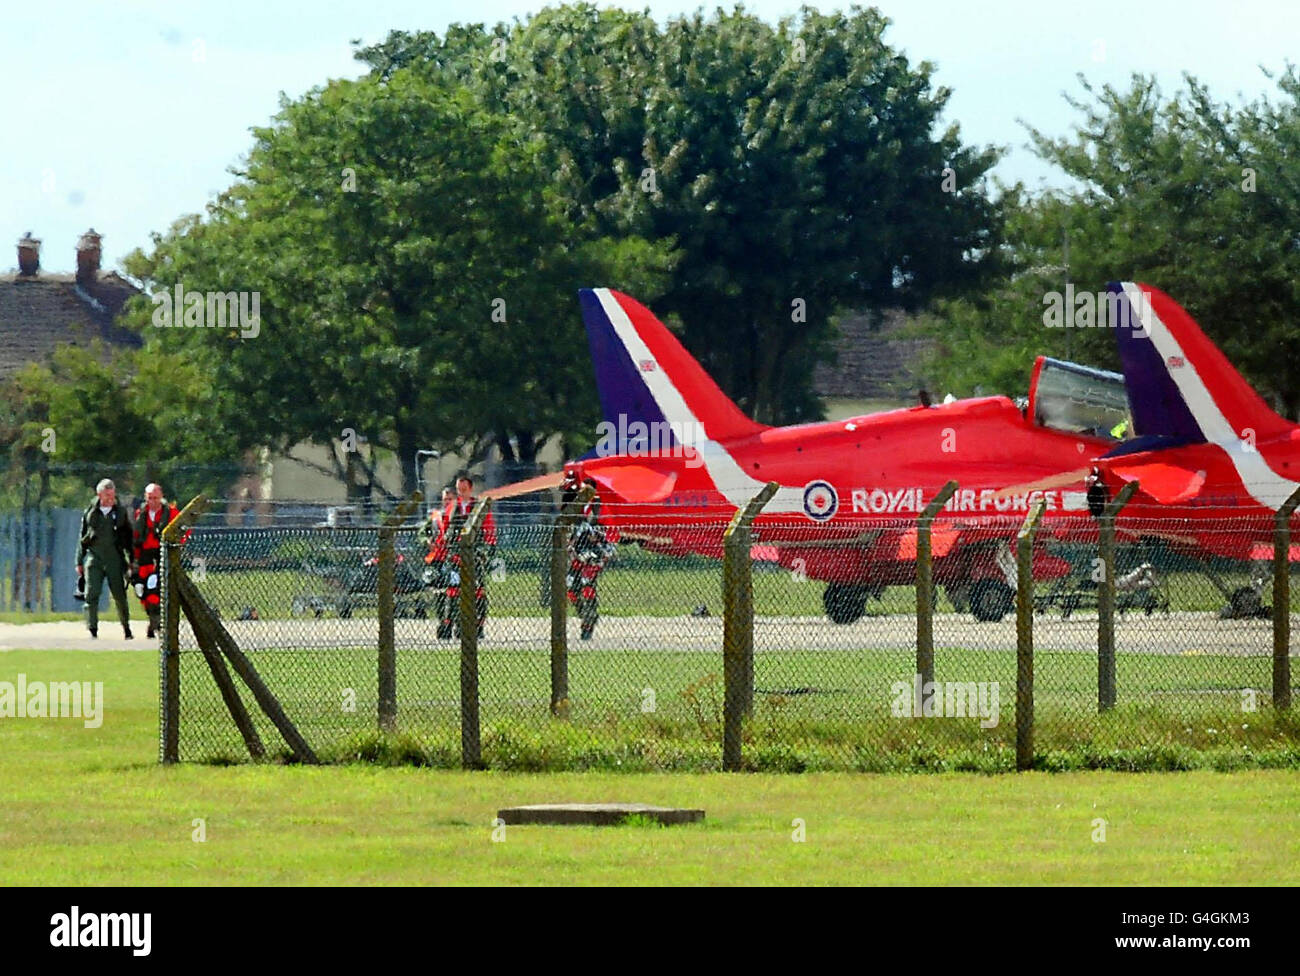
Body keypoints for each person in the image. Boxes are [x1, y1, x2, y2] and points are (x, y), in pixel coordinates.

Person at [436, 473, 497, 639]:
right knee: (453, 592)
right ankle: (454, 623)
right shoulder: (452, 508)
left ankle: (478, 625)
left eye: (463, 489)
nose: (461, 492)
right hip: (455, 556)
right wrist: (446, 548)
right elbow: (445, 530)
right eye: (458, 489)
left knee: (478, 592)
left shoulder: (479, 506)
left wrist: (486, 551)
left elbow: (489, 529)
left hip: (475, 557)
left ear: (470, 488)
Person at [77, 479, 135, 639]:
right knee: (91, 594)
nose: (110, 498)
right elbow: (82, 536)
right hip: (94, 557)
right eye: (107, 495)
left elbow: (128, 537)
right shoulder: (90, 512)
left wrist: (131, 559)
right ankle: (92, 628)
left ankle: (126, 628)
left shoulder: (120, 513)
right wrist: (79, 561)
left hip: (114, 558)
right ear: (99, 494)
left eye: (112, 494)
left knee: (119, 595)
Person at [564, 477, 615, 640]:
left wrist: (600, 550)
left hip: (595, 554)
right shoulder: (578, 508)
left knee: (587, 585)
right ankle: (585, 614)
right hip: (579, 553)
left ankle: (588, 625)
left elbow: (607, 533)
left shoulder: (599, 507)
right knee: (571, 587)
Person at [132, 483, 180, 639]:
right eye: (149, 498)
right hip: (145, 557)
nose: (152, 501)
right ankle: (154, 621)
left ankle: (156, 624)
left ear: (161, 497)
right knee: (142, 591)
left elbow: (183, 531)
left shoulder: (171, 513)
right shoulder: (141, 514)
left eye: (155, 498)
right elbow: (136, 538)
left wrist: (175, 547)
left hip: (162, 556)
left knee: (156, 590)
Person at [418, 487, 456, 629]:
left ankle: (453, 619)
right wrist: (427, 541)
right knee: (439, 593)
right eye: (445, 499)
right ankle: (442, 621)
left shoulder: (459, 516)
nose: (447, 502)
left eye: (450, 499)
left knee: (453, 592)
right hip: (437, 559)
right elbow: (422, 532)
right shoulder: (436, 515)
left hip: (453, 559)